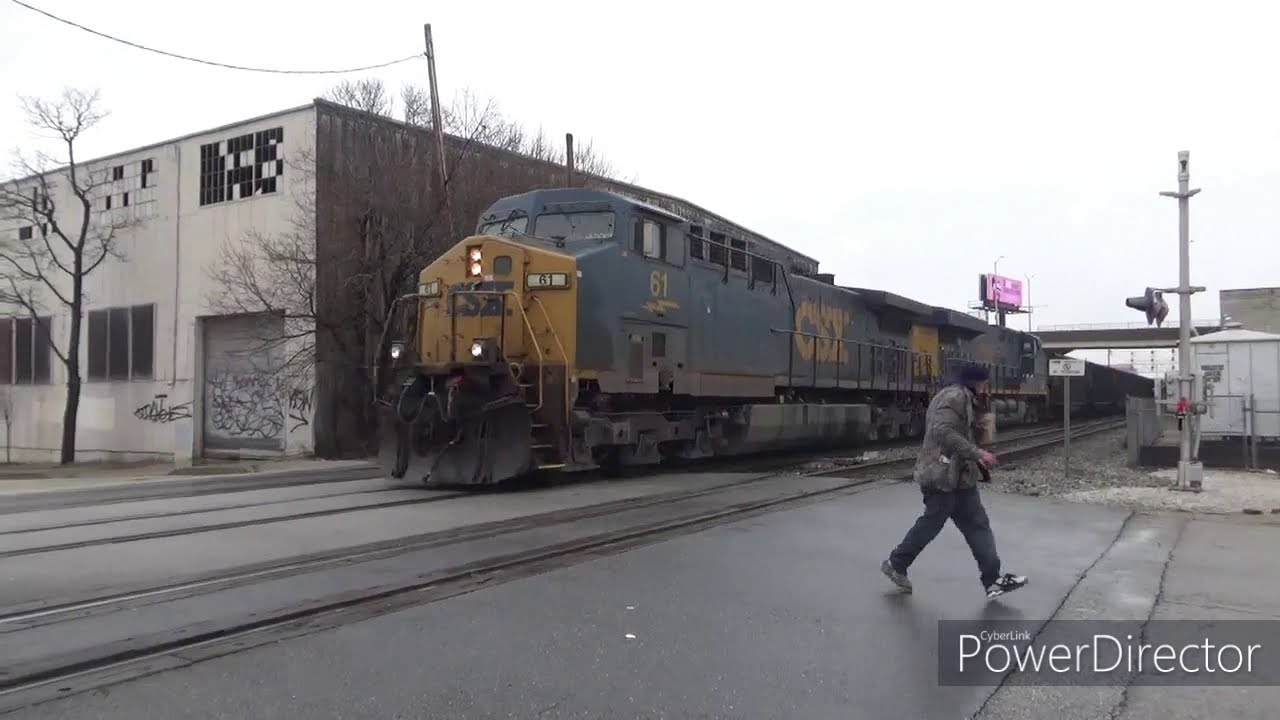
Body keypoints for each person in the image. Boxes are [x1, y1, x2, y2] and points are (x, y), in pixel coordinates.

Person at [880, 363, 1028, 599]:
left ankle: (992, 580)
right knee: (932, 523)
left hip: (960, 478)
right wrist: (978, 453)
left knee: (977, 524)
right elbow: (942, 431)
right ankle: (896, 563)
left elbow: (960, 432)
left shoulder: (966, 397)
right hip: (940, 475)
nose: (985, 387)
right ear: (977, 381)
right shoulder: (953, 397)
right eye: (984, 383)